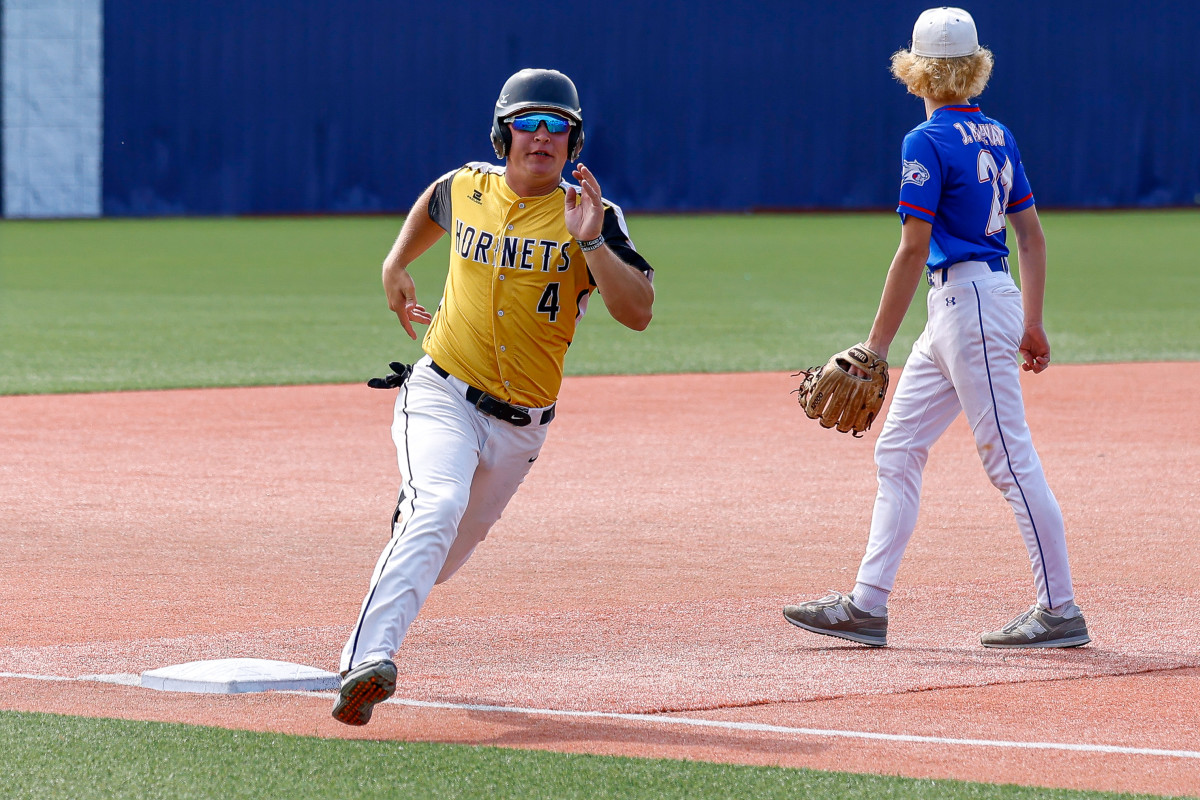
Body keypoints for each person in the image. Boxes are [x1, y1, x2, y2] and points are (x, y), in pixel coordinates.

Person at [332, 68, 655, 725]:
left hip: (521, 429)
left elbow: (639, 312)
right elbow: (435, 202)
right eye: (527, 124)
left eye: (557, 126)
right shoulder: (469, 185)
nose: (542, 136)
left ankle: (415, 524)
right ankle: (366, 662)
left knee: (440, 557)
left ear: (574, 142)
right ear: (503, 135)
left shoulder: (593, 217)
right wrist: (396, 262)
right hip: (442, 391)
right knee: (438, 507)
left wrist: (592, 241)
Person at [783, 8, 1089, 649]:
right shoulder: (998, 135)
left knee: (1010, 460)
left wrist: (874, 346)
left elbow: (912, 249)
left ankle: (1059, 609)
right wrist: (1032, 322)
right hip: (972, 304)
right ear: (975, 68)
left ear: (914, 71)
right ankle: (867, 605)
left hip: (968, 306)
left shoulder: (924, 140)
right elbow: (1030, 237)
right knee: (897, 449)